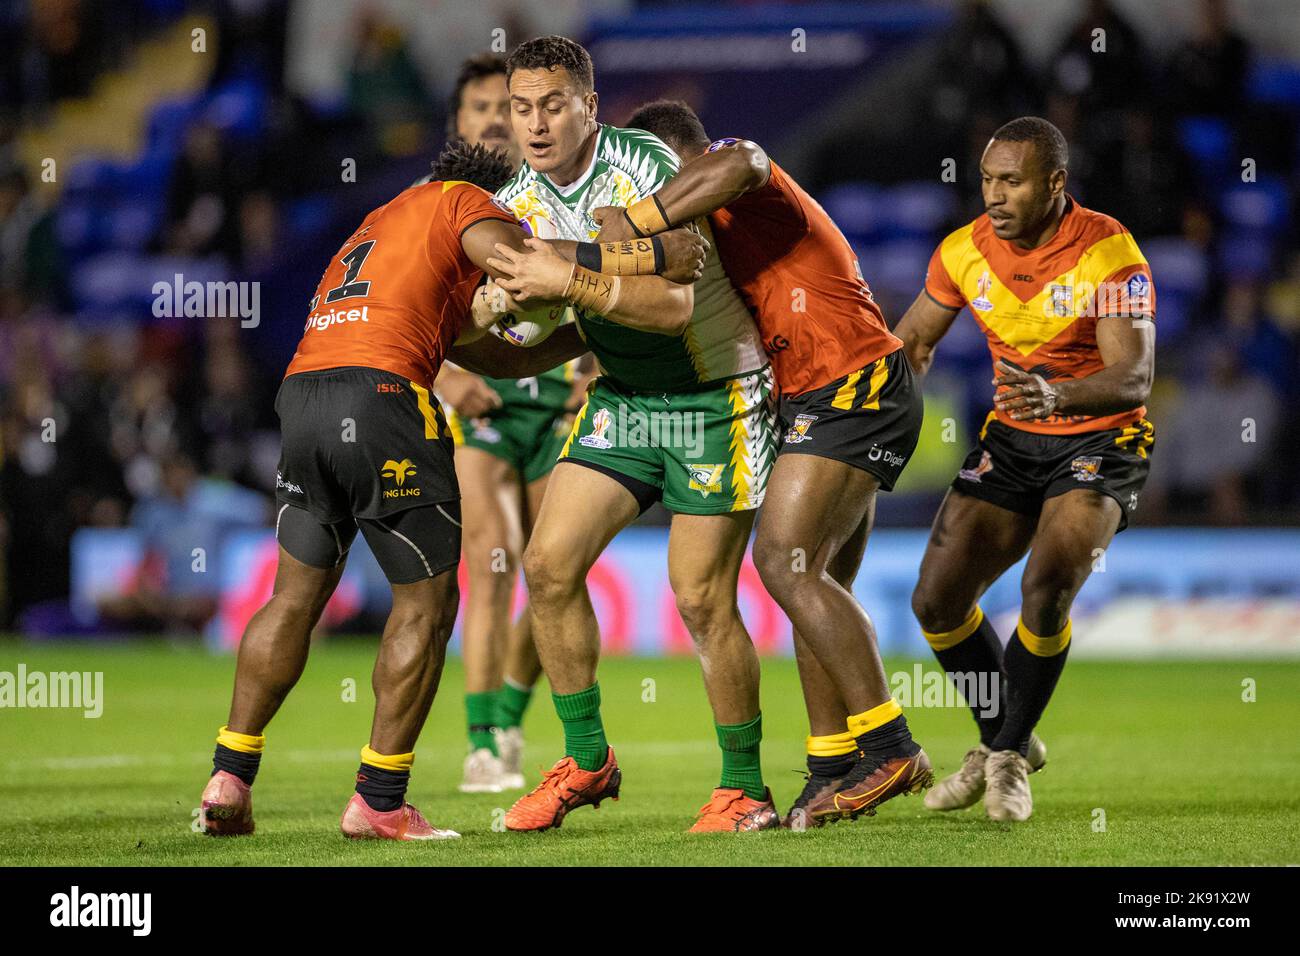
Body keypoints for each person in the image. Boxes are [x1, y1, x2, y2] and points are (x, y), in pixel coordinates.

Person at [197, 141, 699, 841]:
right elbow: (520, 260)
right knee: (429, 604)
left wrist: (591, 330)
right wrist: (638, 264)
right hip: (384, 398)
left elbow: (488, 354)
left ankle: (229, 775)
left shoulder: (378, 223)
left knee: (293, 596)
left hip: (304, 397)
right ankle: (379, 799)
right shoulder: (464, 201)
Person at [487, 36, 782, 833]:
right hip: (626, 398)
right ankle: (587, 762)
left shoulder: (644, 164)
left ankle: (745, 789)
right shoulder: (517, 203)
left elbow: (671, 306)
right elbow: (546, 321)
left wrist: (565, 278)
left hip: (719, 397)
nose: (537, 124)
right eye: (521, 108)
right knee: (547, 568)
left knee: (699, 595)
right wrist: (496, 325)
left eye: (553, 105)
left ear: (589, 104)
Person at [610, 99, 932, 827]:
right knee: (814, 583)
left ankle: (891, 745)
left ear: (671, 158)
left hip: (849, 383)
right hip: (833, 391)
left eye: (645, 174)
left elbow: (743, 157)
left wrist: (634, 222)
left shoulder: (733, 169)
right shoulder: (710, 231)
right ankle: (832, 767)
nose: (636, 192)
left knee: (784, 564)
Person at [895, 116, 1156, 822]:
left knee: (1048, 584)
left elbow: (1134, 377)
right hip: (1013, 440)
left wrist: (1059, 394)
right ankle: (1002, 738)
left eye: (1012, 181)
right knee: (935, 601)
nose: (995, 196)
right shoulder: (963, 252)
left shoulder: (1107, 250)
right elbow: (912, 341)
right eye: (987, 180)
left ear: (1055, 183)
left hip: (1100, 440)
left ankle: (1005, 760)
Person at [432, 53, 584, 794]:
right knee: (492, 561)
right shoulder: (441, 204)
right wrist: (449, 375)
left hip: (562, 403)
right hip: (487, 405)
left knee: (556, 568)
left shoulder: (560, 192)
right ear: (459, 125)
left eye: (508, 106)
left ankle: (513, 710)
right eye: (482, 108)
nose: (498, 118)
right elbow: (399, 310)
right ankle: (483, 742)